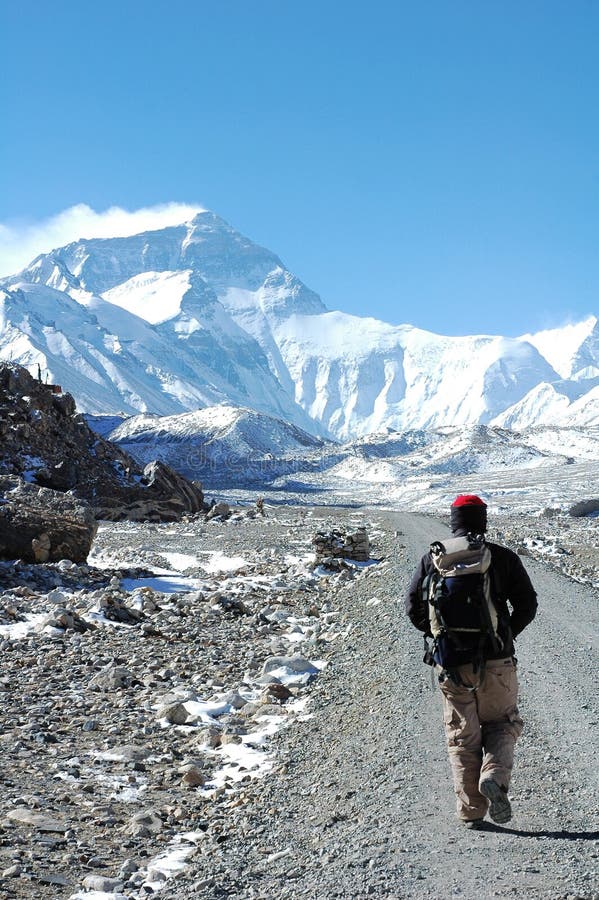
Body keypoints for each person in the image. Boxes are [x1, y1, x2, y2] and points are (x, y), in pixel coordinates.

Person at [405, 494, 537, 828]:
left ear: (453, 521)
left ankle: (471, 811)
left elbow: (413, 610)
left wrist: (442, 636)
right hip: (497, 661)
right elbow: (528, 604)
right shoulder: (502, 558)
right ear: (483, 521)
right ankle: (493, 775)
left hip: (451, 663)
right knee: (502, 723)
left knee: (462, 736)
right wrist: (506, 635)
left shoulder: (433, 559)